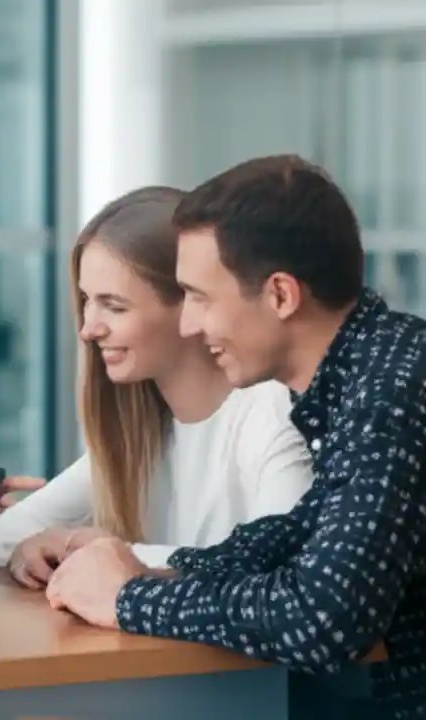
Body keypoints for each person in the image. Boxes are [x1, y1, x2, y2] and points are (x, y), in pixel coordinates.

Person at [45, 155, 426, 717]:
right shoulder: (368, 372)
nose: (190, 325)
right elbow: (292, 540)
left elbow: (322, 619)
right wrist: (158, 570)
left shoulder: (388, 394)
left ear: (279, 295)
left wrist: (129, 598)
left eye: (199, 296)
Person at [0, 186, 314, 589]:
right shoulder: (140, 432)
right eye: (87, 300)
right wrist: (47, 550)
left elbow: (280, 560)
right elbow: (6, 535)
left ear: (193, 303)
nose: (89, 328)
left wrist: (113, 556)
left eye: (115, 306)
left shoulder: (271, 413)